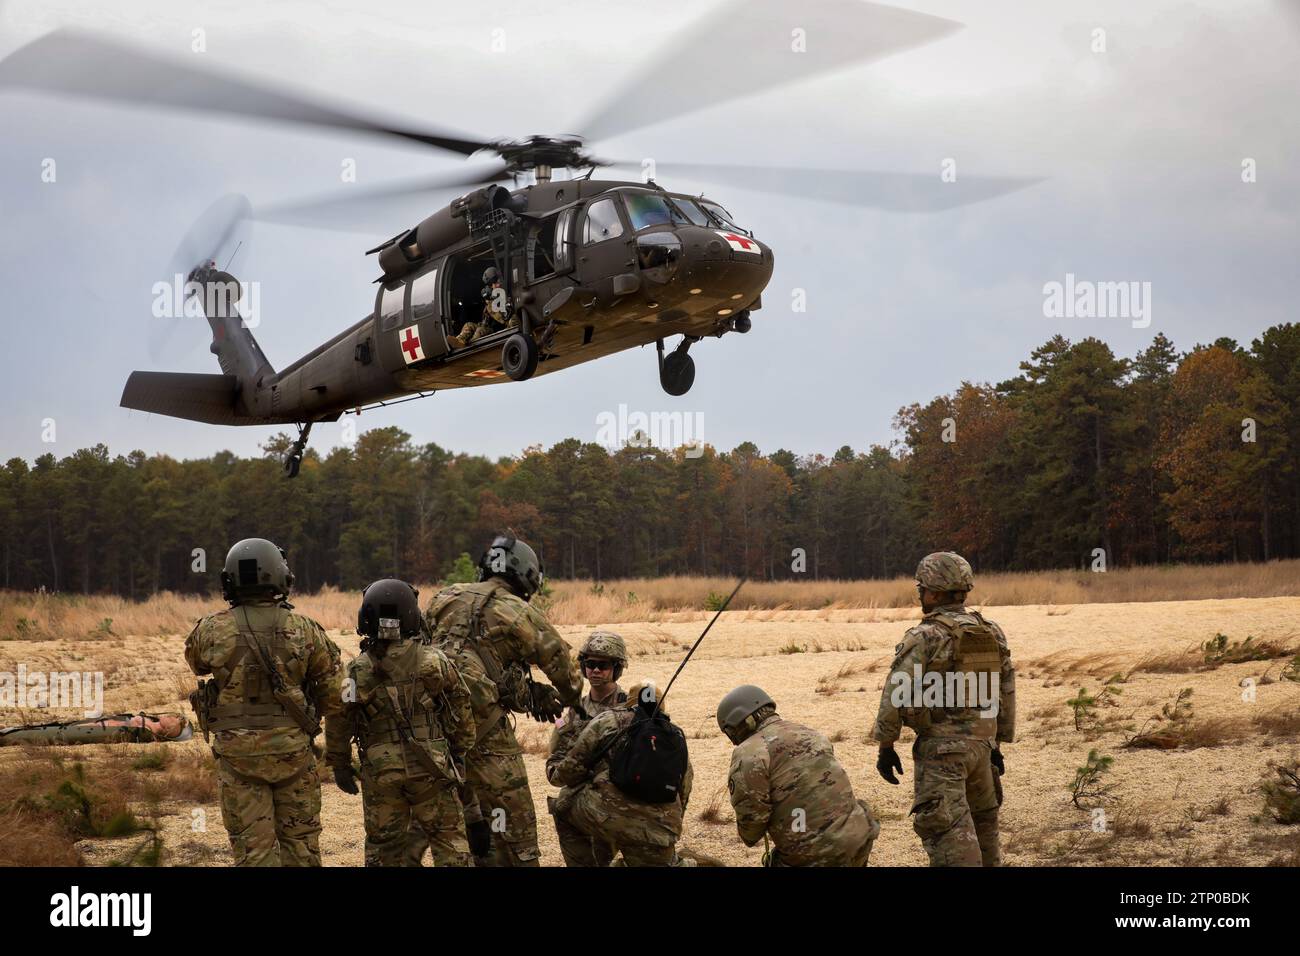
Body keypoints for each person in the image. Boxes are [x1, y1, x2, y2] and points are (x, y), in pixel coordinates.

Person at [419, 534, 582, 866]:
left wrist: (519, 687)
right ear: (527, 574)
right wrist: (568, 698)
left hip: (434, 732)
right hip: (487, 735)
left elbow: (423, 652)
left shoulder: (442, 598)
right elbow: (563, 668)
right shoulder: (517, 610)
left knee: (463, 823)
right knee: (513, 824)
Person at [184, 538, 343, 866]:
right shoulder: (306, 630)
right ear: (280, 576)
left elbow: (197, 663)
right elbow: (334, 695)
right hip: (294, 756)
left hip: (237, 758)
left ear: (230, 580)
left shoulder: (212, 630)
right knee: (302, 849)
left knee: (253, 853)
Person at [870, 551, 1016, 867]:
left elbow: (897, 690)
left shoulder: (926, 635)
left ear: (935, 592)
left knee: (949, 838)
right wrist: (998, 743)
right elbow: (1004, 690)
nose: (919, 593)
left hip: (942, 754)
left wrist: (886, 746)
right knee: (986, 836)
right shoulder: (991, 631)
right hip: (982, 747)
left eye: (922, 588)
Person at [325, 578, 475, 866]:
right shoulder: (434, 660)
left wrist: (340, 765)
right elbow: (461, 707)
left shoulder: (356, 670)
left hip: (382, 772)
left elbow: (338, 719)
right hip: (433, 765)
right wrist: (459, 751)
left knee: (385, 848)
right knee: (450, 840)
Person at [718, 684, 879, 866]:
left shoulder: (749, 753)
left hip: (816, 855)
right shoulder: (811, 733)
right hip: (859, 837)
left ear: (743, 723)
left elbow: (751, 830)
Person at [546, 681, 693, 867]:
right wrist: (667, 825)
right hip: (659, 830)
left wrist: (554, 769)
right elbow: (684, 790)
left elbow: (571, 771)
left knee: (563, 804)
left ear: (628, 702)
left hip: (608, 818)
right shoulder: (674, 736)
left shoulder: (609, 720)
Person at [546, 630, 629, 866]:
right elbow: (557, 754)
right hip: (580, 794)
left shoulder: (630, 709)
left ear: (617, 668)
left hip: (617, 795)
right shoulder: (575, 711)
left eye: (603, 665)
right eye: (590, 664)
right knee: (561, 808)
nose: (595, 670)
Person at [448, 266, 516, 348]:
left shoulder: (506, 296)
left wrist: (492, 302)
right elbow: (486, 319)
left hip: (500, 328)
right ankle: (460, 341)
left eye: (496, 283)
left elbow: (503, 318)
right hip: (489, 327)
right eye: (492, 285)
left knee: (480, 331)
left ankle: (470, 348)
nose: (495, 286)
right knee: (469, 325)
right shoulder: (492, 298)